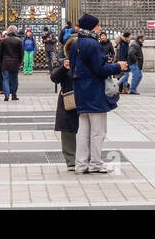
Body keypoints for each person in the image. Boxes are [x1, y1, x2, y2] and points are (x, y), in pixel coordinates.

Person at [69, 15, 129, 173]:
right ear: (91, 27)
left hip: (81, 91)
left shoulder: (76, 43)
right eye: (98, 25)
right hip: (95, 91)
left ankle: (81, 164)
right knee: (98, 131)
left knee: (83, 131)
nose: (100, 28)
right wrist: (118, 66)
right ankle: (95, 163)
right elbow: (100, 69)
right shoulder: (92, 44)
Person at [51, 36, 79, 170]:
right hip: (69, 99)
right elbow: (54, 77)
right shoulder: (63, 62)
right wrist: (64, 68)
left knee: (86, 130)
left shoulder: (88, 61)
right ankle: (71, 161)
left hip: (86, 99)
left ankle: (86, 158)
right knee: (68, 130)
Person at [0, 26, 24, 100]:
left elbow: (0, 53)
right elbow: (21, 53)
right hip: (15, 62)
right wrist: (20, 61)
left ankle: (6, 95)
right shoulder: (18, 41)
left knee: (5, 78)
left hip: (5, 62)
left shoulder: (3, 41)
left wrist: (1, 60)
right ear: (15, 31)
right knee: (14, 79)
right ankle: (14, 95)